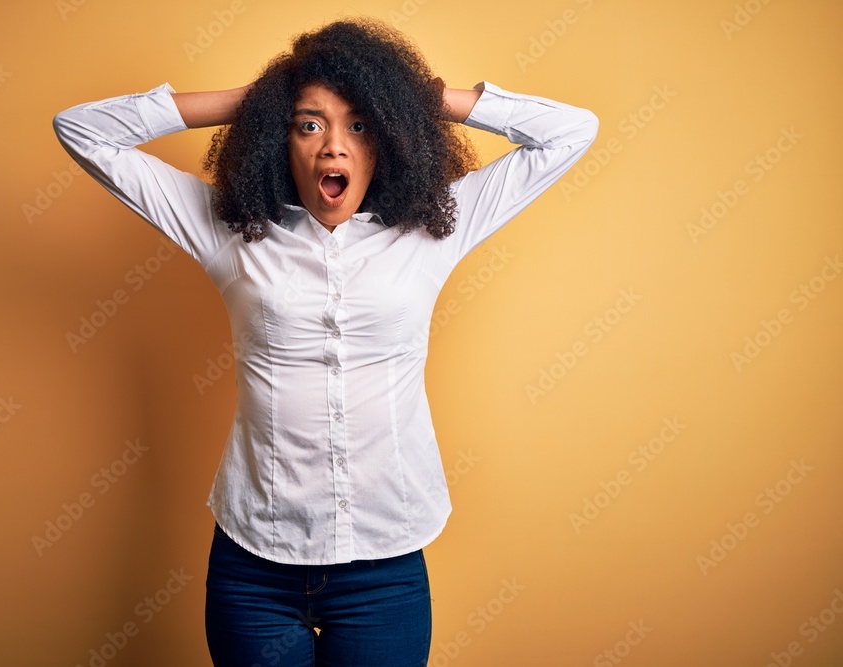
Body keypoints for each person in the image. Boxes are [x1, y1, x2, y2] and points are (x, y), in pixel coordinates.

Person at [53, 16, 597, 667]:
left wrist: (425, 96)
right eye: (309, 124)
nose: (333, 148)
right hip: (254, 569)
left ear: (389, 140)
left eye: (360, 125)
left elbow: (570, 132)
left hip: (385, 567)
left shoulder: (430, 234)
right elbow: (83, 130)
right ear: (277, 139)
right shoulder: (230, 232)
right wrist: (256, 99)